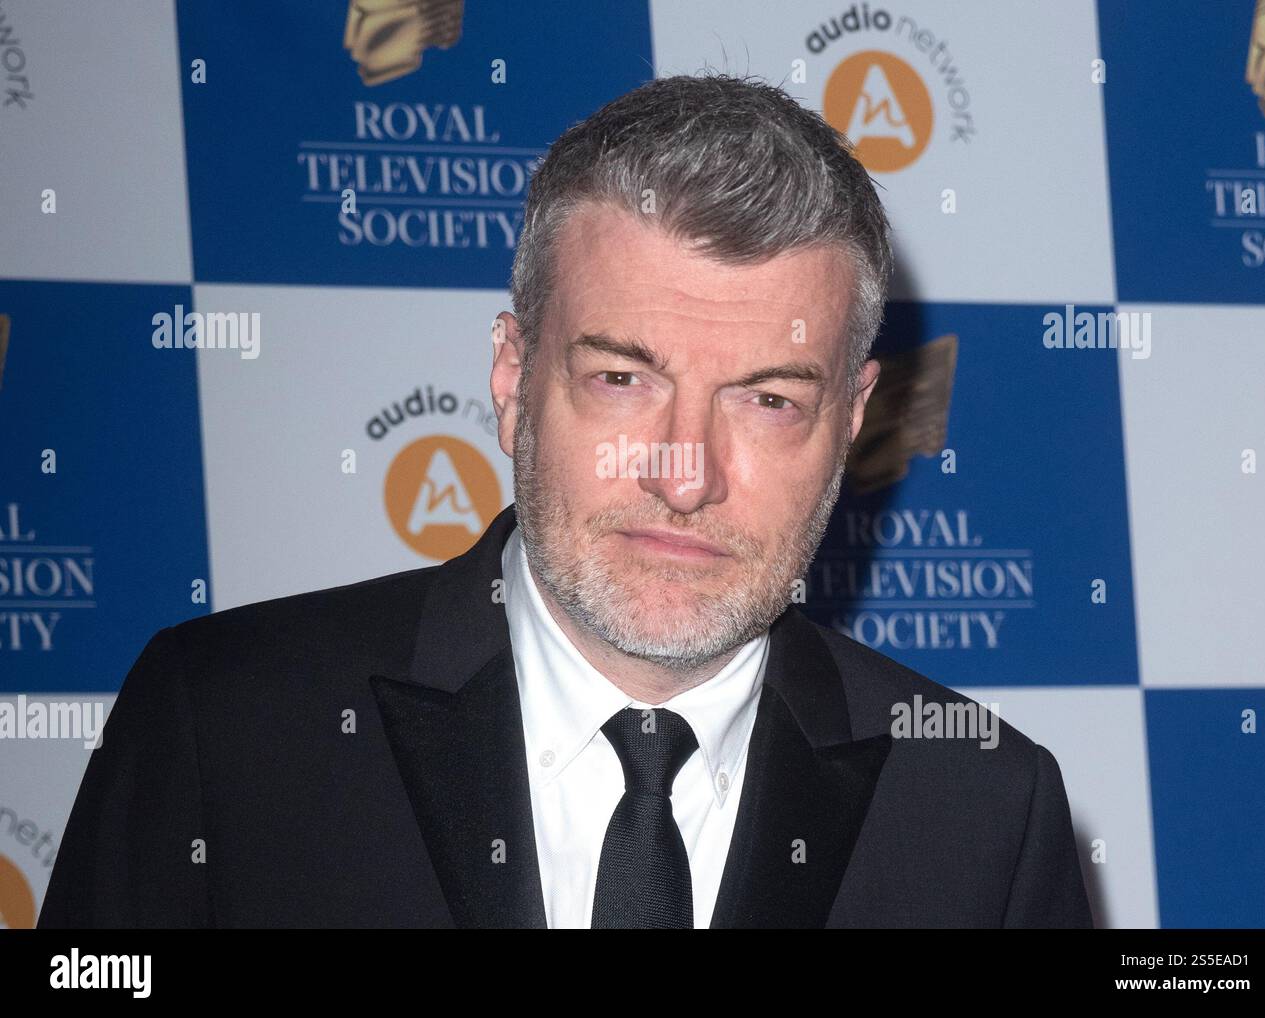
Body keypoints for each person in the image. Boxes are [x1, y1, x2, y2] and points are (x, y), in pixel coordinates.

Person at [39, 73, 1093, 929]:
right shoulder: (226, 725)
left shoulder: (983, 809)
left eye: (767, 399)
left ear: (851, 423)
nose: (685, 474)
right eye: (622, 379)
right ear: (511, 382)